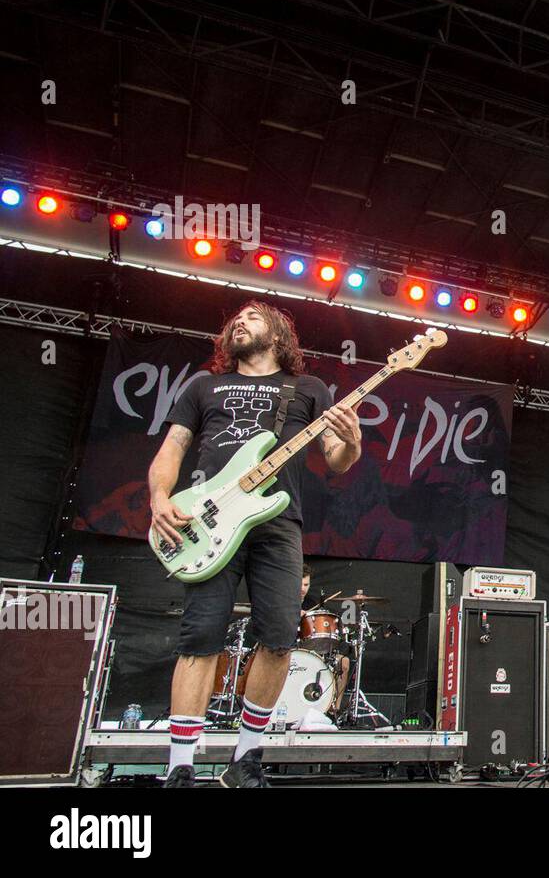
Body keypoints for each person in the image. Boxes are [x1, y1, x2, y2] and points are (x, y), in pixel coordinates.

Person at [149, 300, 362, 786]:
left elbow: (336, 459)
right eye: (235, 319)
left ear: (279, 334)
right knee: (199, 639)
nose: (239, 322)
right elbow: (174, 447)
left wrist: (352, 442)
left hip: (277, 522)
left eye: (253, 317)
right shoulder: (203, 385)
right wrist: (161, 496)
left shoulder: (307, 390)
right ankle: (180, 767)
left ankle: (245, 762)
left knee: (281, 638)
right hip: (205, 522)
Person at [299, 564, 350, 716]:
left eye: (306, 584)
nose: (303, 588)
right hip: (289, 649)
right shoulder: (282, 601)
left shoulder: (312, 603)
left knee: (344, 663)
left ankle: (334, 710)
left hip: (313, 651)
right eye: (300, 584)